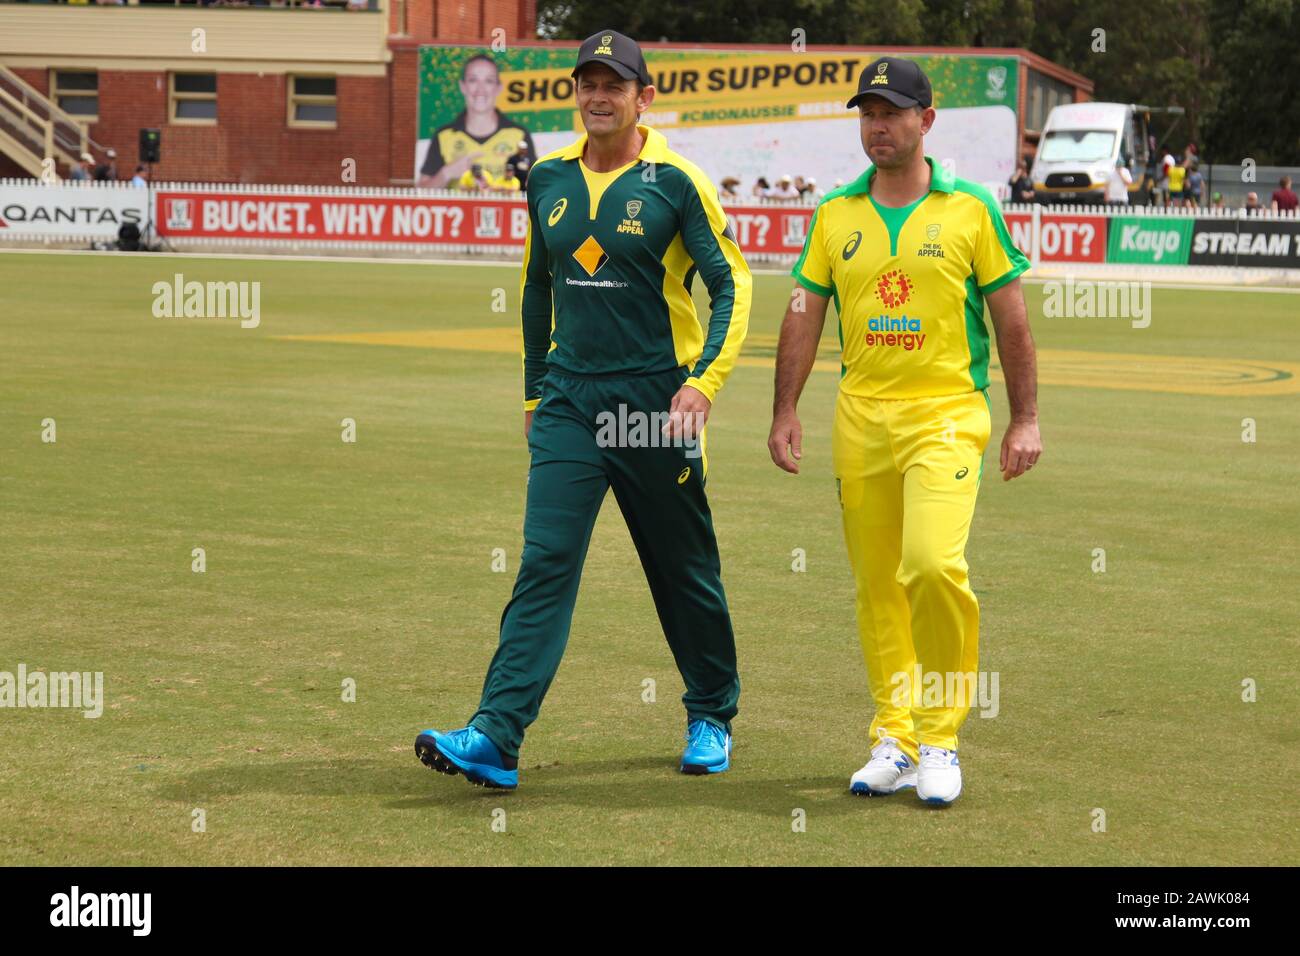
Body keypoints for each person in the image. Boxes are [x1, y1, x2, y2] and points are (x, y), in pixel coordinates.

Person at [416, 29, 751, 790]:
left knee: (682, 568)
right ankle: (497, 737)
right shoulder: (548, 179)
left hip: (654, 405)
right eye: (587, 84)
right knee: (545, 561)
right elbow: (538, 287)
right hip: (570, 401)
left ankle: (711, 712)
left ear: (644, 97)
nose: (598, 97)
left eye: (614, 85)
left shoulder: (675, 182)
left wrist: (703, 382)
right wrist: (535, 390)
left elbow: (731, 283)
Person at [768, 56, 1039, 807]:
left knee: (930, 566)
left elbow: (1010, 319)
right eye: (866, 112)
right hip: (861, 419)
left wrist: (1028, 418)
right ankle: (895, 737)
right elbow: (803, 314)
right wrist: (785, 409)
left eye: (890, 111)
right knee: (877, 583)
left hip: (947, 414)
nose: (877, 125)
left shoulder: (971, 209)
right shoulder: (835, 215)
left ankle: (941, 739)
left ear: (925, 121)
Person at [418, 53, 537, 189]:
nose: (480, 89)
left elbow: (537, 184)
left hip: (506, 209)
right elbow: (420, 192)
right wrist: (446, 173)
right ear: (463, 86)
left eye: (489, 81)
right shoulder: (443, 136)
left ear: (498, 88)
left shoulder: (519, 135)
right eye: (473, 80)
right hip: (459, 209)